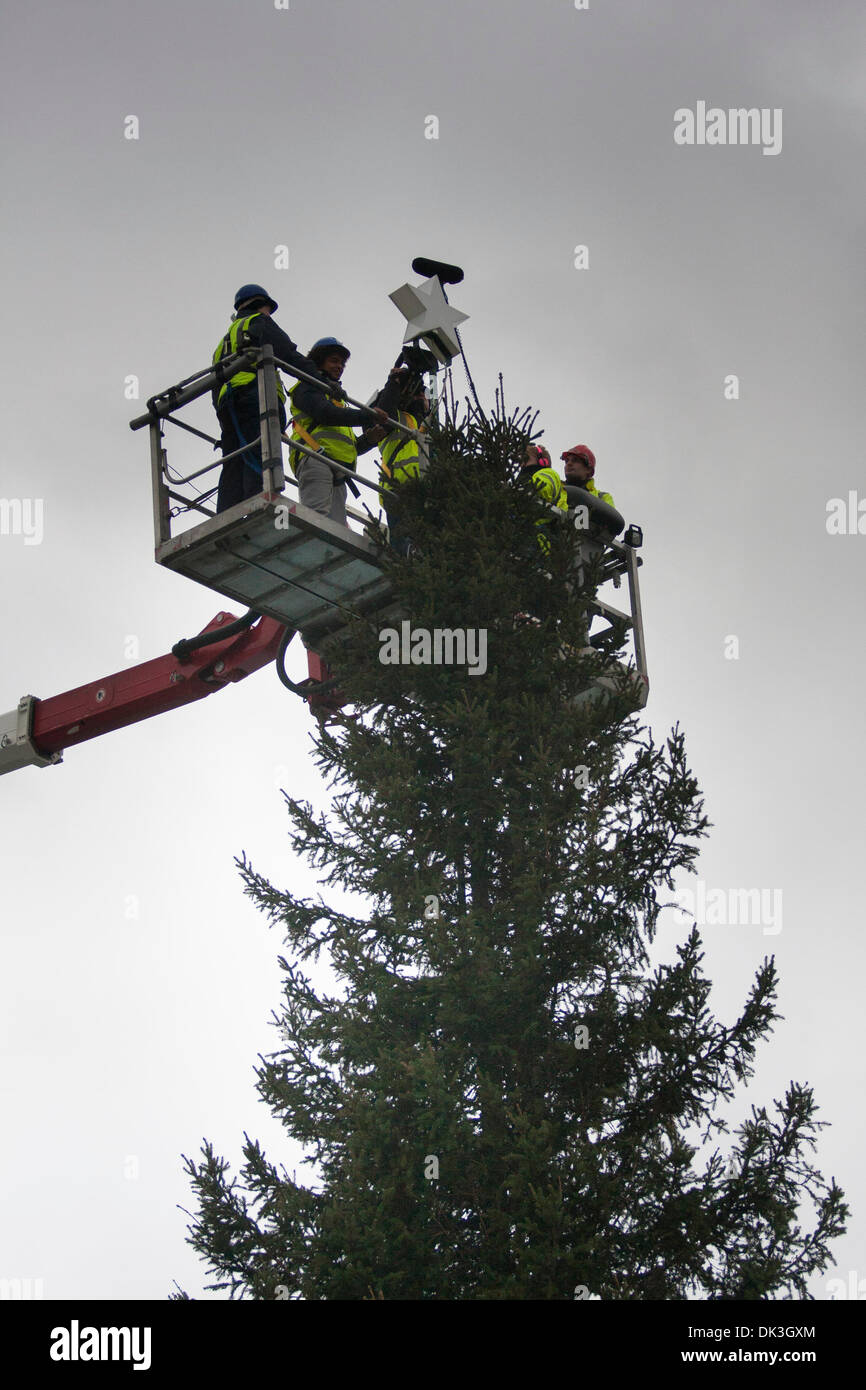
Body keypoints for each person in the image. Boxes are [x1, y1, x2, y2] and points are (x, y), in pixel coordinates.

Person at [212, 284, 320, 514]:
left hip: (228, 406)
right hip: (253, 397)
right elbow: (288, 355)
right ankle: (257, 509)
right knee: (259, 454)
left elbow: (214, 385)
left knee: (233, 462)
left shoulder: (223, 343)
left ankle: (227, 516)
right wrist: (322, 381)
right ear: (261, 305)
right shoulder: (257, 323)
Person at [288, 338, 388, 525]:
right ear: (319, 361)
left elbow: (345, 446)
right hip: (316, 460)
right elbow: (326, 414)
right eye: (334, 361)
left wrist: (367, 440)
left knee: (337, 527)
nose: (339, 366)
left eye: (342, 363)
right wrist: (368, 415)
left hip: (338, 470)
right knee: (316, 520)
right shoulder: (306, 387)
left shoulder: (334, 399)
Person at [371, 360, 431, 556]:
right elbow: (384, 412)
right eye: (419, 393)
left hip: (422, 487)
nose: (423, 397)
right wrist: (394, 381)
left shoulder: (417, 422)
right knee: (404, 547)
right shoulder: (396, 418)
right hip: (398, 487)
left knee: (421, 544)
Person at [518, 443, 568, 552]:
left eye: (526, 459)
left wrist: (524, 487)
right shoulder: (520, 483)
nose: (522, 464)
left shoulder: (548, 474)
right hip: (521, 530)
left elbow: (542, 489)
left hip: (538, 538)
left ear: (543, 461)